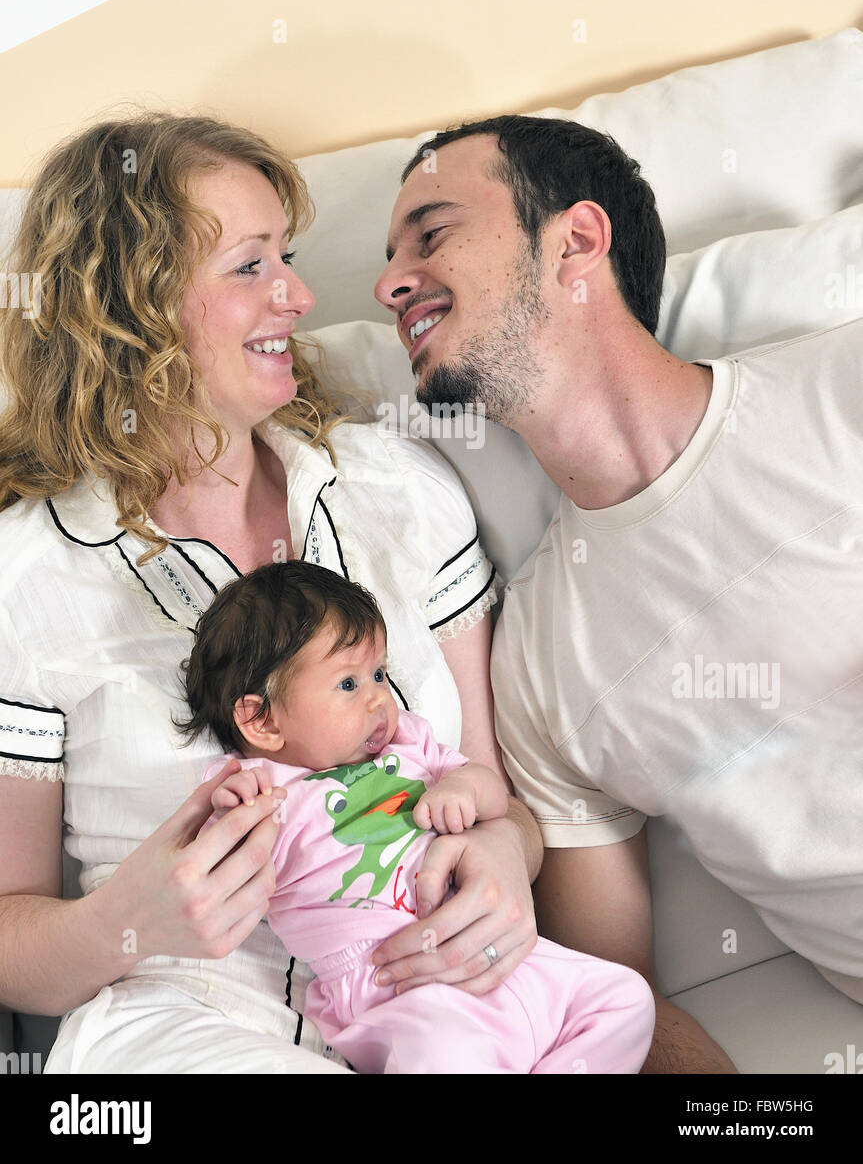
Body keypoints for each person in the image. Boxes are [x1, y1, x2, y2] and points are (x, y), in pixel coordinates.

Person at [0, 113, 542, 1076]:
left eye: (285, 258)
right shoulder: (27, 574)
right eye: (250, 266)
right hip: (194, 1026)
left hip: (439, 996)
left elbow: (498, 793)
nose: (298, 294)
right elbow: (10, 941)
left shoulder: (396, 490)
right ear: (127, 307)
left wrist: (506, 859)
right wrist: (121, 925)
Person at [374, 114, 863, 1073]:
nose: (390, 282)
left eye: (430, 235)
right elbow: (616, 1006)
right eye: (390, 258)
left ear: (577, 241)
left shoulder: (837, 389)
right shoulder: (534, 672)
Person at [182, 559, 655, 1074]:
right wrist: (230, 814)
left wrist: (463, 788)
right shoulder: (265, 793)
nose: (379, 697)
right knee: (445, 1055)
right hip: (397, 979)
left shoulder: (411, 743)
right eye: (348, 684)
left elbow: (491, 792)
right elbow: (210, 880)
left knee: (626, 998)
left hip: (499, 945)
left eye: (380, 673)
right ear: (262, 719)